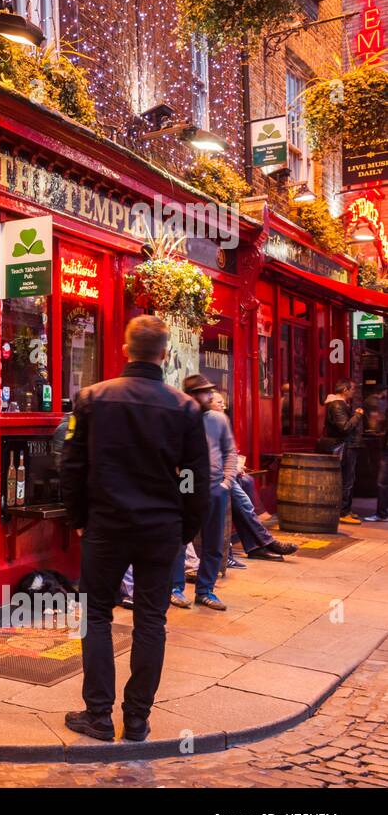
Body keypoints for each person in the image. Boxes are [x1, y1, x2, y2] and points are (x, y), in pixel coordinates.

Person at [60, 316, 209, 742]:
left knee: (95, 615)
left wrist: (79, 520)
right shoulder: (185, 408)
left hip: (106, 525)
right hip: (161, 527)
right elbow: (195, 478)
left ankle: (99, 714)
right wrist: (184, 528)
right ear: (164, 353)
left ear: (126, 350)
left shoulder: (92, 399)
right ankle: (138, 718)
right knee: (151, 619)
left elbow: (71, 466)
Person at [173, 375, 235, 611]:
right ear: (191, 395)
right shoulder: (180, 417)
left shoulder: (218, 419)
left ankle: (205, 590)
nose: (209, 396)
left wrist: (226, 483)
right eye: (203, 392)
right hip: (187, 481)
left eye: (210, 391)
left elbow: (229, 451)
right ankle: (175, 587)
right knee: (181, 537)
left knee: (213, 541)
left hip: (214, 484)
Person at [322, 379, 364, 525]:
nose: (354, 391)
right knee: (346, 479)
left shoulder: (340, 404)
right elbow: (344, 427)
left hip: (348, 446)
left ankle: (346, 509)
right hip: (345, 447)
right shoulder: (337, 405)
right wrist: (357, 415)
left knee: (349, 479)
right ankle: (343, 512)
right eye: (352, 389)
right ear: (345, 390)